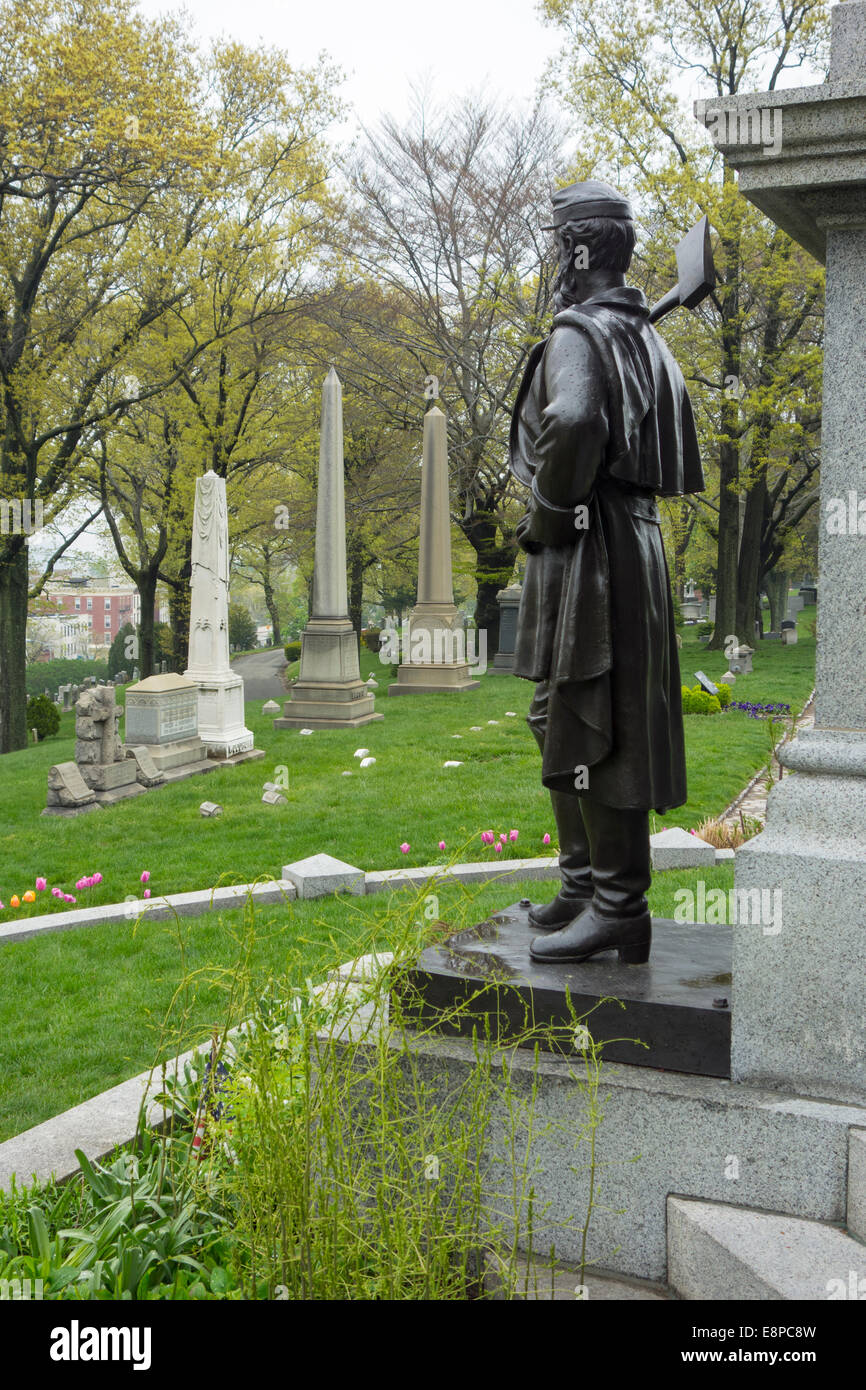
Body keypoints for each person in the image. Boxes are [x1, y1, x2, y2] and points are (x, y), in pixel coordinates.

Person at [510, 180, 704, 965]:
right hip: (631, 542)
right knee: (562, 713)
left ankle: (620, 906)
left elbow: (577, 421)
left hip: (594, 547)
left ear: (573, 252)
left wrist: (551, 512)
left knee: (601, 719)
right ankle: (586, 881)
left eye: (560, 249)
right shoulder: (640, 336)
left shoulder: (581, 332)